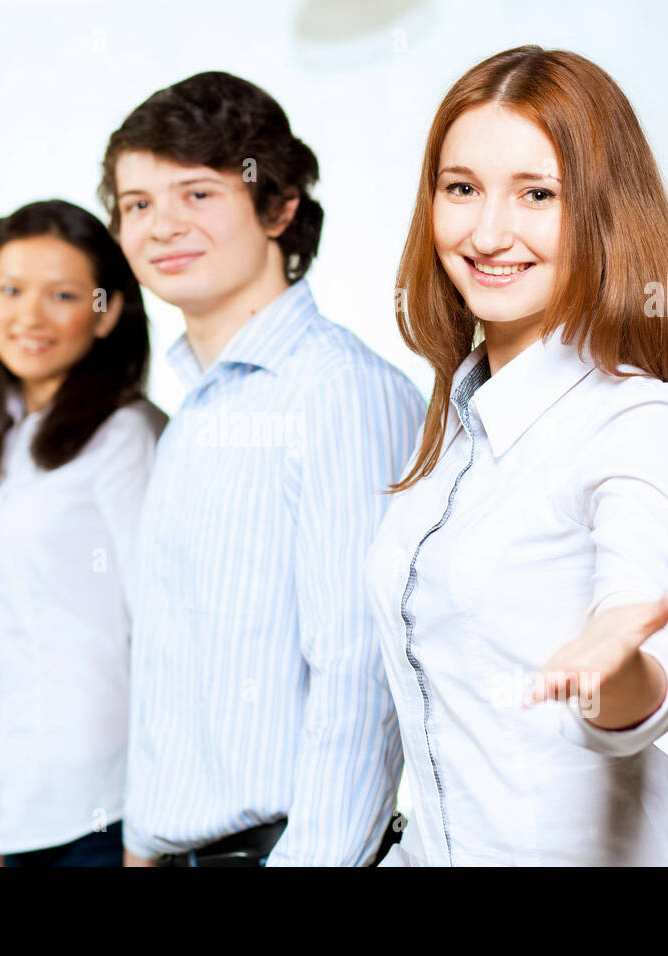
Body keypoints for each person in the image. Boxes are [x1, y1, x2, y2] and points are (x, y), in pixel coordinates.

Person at [364, 45, 668, 866]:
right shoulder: (454, 431)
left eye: (537, 195)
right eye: (461, 188)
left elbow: (644, 670)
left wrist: (614, 670)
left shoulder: (637, 420)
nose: (487, 231)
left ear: (604, 212)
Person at [98, 71, 426, 867]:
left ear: (279, 207)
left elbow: (360, 673)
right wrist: (144, 844)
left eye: (197, 194)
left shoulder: (339, 392)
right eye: (137, 203)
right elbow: (174, 668)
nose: (161, 225)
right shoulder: (193, 417)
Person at [0, 200, 165, 867]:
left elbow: (161, 635)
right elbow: (1, 639)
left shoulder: (126, 436)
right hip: (18, 809)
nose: (29, 316)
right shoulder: (6, 440)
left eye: (62, 295)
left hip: (107, 810)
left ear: (104, 313)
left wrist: (149, 835)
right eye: (10, 291)